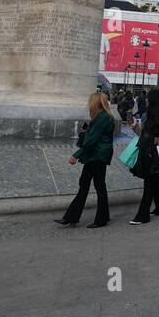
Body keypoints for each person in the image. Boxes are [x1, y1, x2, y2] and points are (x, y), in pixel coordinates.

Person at [57, 90, 115, 228]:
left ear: (95, 103)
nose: (89, 105)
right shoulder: (103, 116)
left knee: (96, 186)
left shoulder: (102, 118)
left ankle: (98, 219)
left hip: (97, 155)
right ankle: (72, 217)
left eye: (90, 102)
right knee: (88, 184)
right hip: (95, 155)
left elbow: (92, 140)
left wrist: (76, 155)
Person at [129, 88, 159, 225]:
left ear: (154, 100)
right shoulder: (147, 115)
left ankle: (142, 215)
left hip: (156, 153)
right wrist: (135, 127)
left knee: (149, 182)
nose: (146, 100)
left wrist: (157, 140)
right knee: (153, 181)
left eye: (149, 98)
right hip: (146, 151)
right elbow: (143, 135)